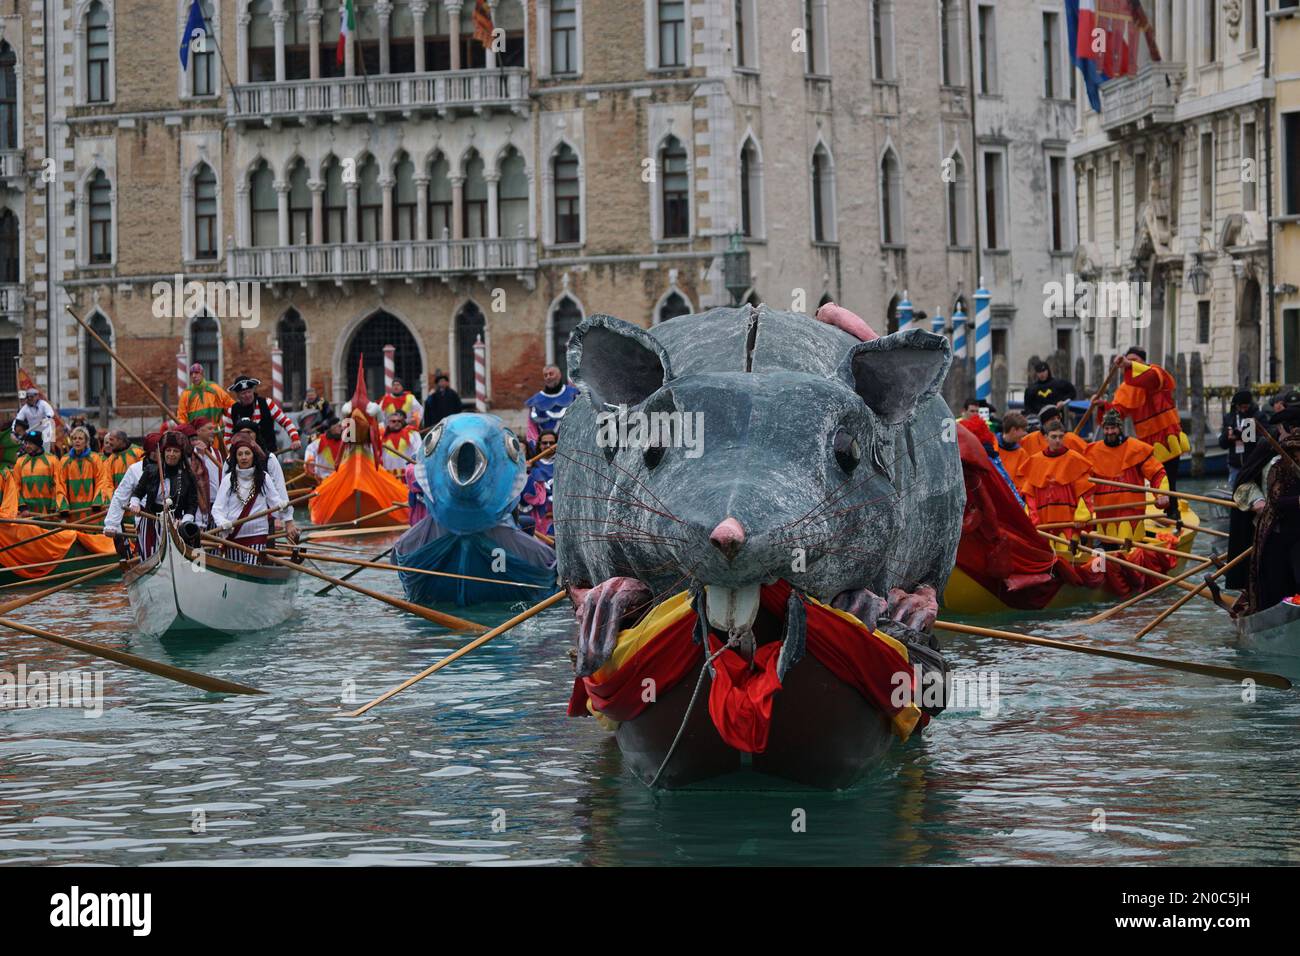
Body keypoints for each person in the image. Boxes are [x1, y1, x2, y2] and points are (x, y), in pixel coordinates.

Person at [1235, 406, 1300, 613]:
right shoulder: (1270, 448)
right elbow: (1244, 482)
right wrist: (1257, 501)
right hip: (1273, 529)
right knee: (1274, 581)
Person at [1107, 347, 1190, 491]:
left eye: (1135, 360)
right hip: (1146, 440)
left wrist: (1129, 365)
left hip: (1167, 436)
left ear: (1143, 362)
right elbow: (1117, 413)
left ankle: (1172, 510)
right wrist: (1102, 405)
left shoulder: (1156, 372)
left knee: (1169, 480)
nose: (1130, 363)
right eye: (1129, 360)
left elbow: (1150, 379)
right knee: (1154, 478)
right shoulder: (1125, 388)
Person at [1085, 409, 1170, 540]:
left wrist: (1161, 493)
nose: (1109, 432)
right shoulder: (1092, 452)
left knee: (1129, 544)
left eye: (1113, 428)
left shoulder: (1136, 449)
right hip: (1105, 516)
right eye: (1106, 428)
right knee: (1107, 545)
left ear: (1120, 427)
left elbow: (1157, 473)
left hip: (1131, 514)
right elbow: (1082, 482)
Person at [211, 433, 293, 563]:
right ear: (235, 458)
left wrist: (284, 508)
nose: (244, 457)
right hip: (234, 536)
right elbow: (217, 509)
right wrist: (222, 522)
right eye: (240, 454)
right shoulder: (228, 479)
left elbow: (275, 502)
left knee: (252, 565)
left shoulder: (264, 477)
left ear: (253, 456)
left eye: (247, 453)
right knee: (236, 570)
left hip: (257, 534)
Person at [1017, 419, 1095, 543]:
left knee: (1069, 557)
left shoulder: (1074, 459)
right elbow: (1029, 496)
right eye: (1054, 437)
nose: (1057, 440)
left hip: (1068, 522)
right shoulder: (1035, 462)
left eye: (1060, 437)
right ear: (1046, 438)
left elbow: (1084, 492)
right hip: (1044, 524)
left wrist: (1081, 516)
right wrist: (1033, 520)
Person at [229, 417, 298, 541]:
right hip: (235, 523)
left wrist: (288, 521)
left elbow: (280, 490)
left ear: (256, 435)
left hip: (264, 522)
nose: (246, 437)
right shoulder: (230, 461)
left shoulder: (269, 458)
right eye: (242, 434)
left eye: (249, 433)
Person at [103, 431, 162, 556]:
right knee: (148, 554)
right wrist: (112, 524)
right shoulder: (135, 469)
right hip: (145, 519)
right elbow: (120, 496)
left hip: (171, 520)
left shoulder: (176, 467)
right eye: (156, 451)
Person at [221, 375, 301, 451]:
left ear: (253, 390)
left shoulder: (267, 403)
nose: (247, 395)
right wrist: (234, 453)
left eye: (249, 392)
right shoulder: (232, 410)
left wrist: (295, 439)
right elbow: (228, 438)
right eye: (243, 393)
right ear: (238, 395)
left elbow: (286, 422)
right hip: (245, 459)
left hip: (269, 455)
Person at [58, 426, 113, 524]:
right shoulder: (64, 460)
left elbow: (102, 480)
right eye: (74, 439)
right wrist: (63, 507)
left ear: (86, 441)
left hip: (92, 510)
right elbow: (60, 484)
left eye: (80, 438)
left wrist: (98, 501)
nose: (77, 441)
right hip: (73, 511)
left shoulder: (95, 458)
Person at [12, 430, 68, 517]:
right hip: (26, 513)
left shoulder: (53, 460)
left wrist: (57, 506)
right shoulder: (20, 461)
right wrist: (22, 506)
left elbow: (58, 485)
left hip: (48, 513)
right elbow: (15, 486)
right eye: (26, 443)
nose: (27, 446)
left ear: (38, 444)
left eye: (30, 443)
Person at [524, 364, 579, 451]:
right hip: (546, 451)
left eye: (551, 374)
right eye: (545, 375)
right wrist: (536, 448)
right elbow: (532, 430)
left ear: (559, 375)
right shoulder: (536, 402)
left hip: (573, 448)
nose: (548, 377)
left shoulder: (575, 395)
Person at [1219, 389, 1266, 487]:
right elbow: (1222, 444)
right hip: (1235, 464)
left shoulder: (1258, 416)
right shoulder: (1229, 418)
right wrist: (1228, 436)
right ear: (1236, 406)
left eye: (1246, 407)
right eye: (1241, 407)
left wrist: (1245, 437)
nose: (1243, 410)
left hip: (1253, 465)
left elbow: (1264, 440)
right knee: (1235, 492)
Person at [518, 430, 557, 536]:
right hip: (527, 518)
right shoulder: (533, 466)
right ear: (539, 445)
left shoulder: (563, 465)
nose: (548, 446)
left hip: (553, 516)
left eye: (552, 443)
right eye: (545, 443)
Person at [177, 363, 233, 430]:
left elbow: (230, 407)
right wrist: (186, 431)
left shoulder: (215, 389)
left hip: (216, 434)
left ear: (202, 374)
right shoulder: (185, 394)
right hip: (196, 435)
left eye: (197, 373)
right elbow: (181, 417)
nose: (194, 376)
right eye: (191, 374)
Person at [1020, 405, 1088, 457]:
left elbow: (1089, 454)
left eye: (1058, 418)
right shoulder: (1029, 440)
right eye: (1052, 419)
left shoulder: (1071, 438)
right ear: (1044, 422)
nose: (1057, 421)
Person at [995, 412, 1032, 491]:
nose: (1025, 433)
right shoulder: (991, 448)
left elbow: (1024, 482)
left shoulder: (1022, 454)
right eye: (1023, 430)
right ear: (1014, 430)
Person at [303, 416, 344, 481]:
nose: (342, 428)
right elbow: (310, 450)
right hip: (323, 479)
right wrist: (310, 462)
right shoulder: (320, 441)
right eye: (339, 426)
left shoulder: (344, 442)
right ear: (332, 427)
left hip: (341, 478)